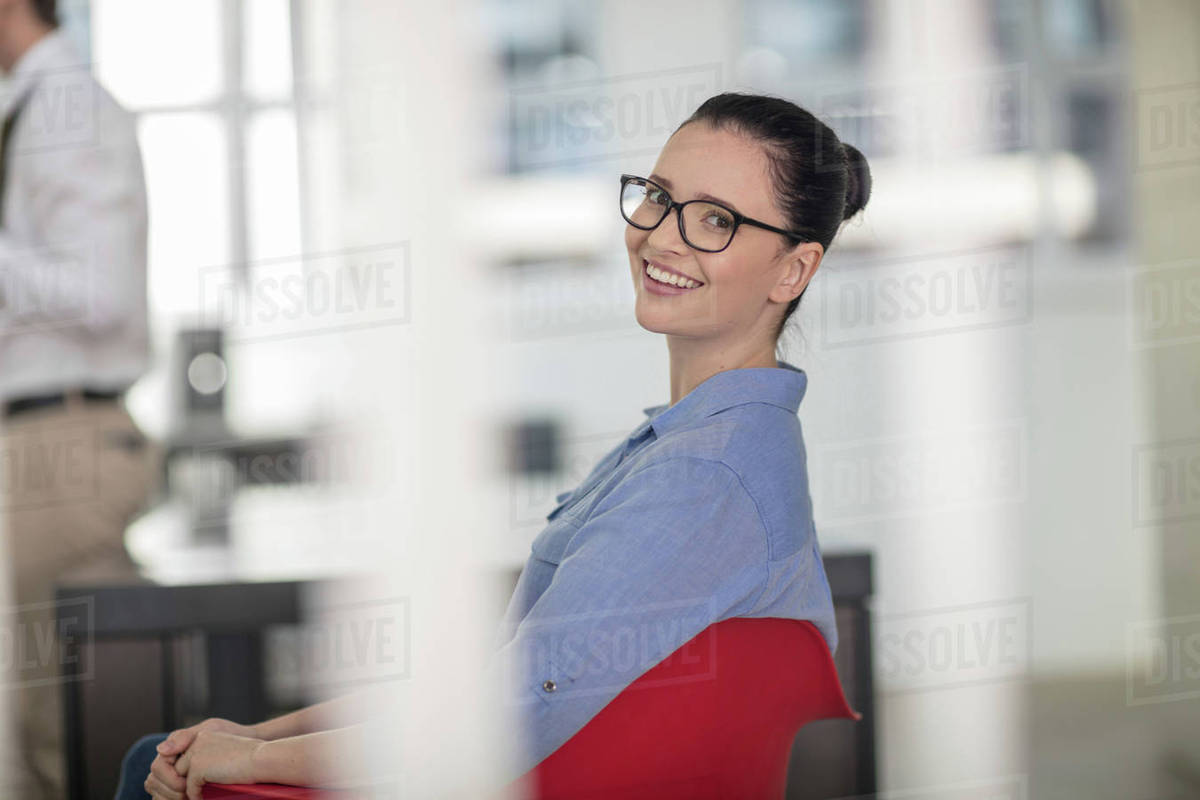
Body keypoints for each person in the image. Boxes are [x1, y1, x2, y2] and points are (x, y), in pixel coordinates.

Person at [121, 90, 872, 798]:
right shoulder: (698, 444)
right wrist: (258, 733)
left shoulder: (704, 476)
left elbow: (503, 716)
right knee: (167, 750)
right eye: (659, 196)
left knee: (145, 761)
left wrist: (251, 758)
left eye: (715, 221)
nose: (659, 234)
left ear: (794, 269)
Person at [0, 0, 157, 797]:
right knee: (50, 729)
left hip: (61, 443)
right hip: (43, 442)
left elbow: (102, 293)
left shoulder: (66, 107)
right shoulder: (29, 108)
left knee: (62, 736)